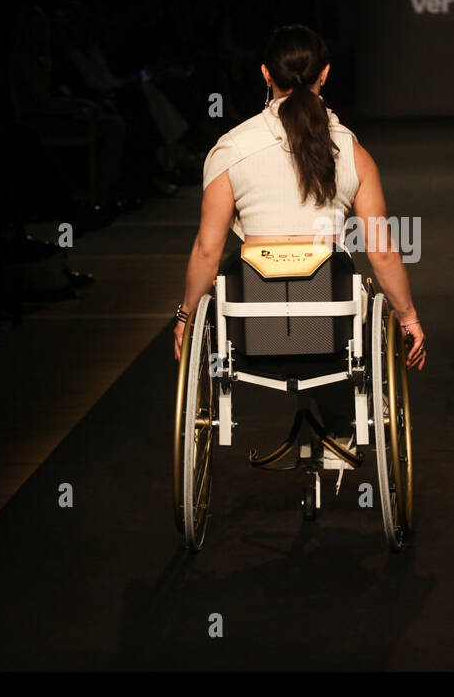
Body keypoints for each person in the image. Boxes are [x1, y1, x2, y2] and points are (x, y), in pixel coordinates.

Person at [173, 24, 425, 448]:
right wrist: (409, 318)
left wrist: (185, 316)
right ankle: (340, 423)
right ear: (324, 74)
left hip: (250, 333)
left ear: (266, 75)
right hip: (330, 330)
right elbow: (381, 251)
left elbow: (208, 249)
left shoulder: (232, 150)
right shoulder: (353, 154)